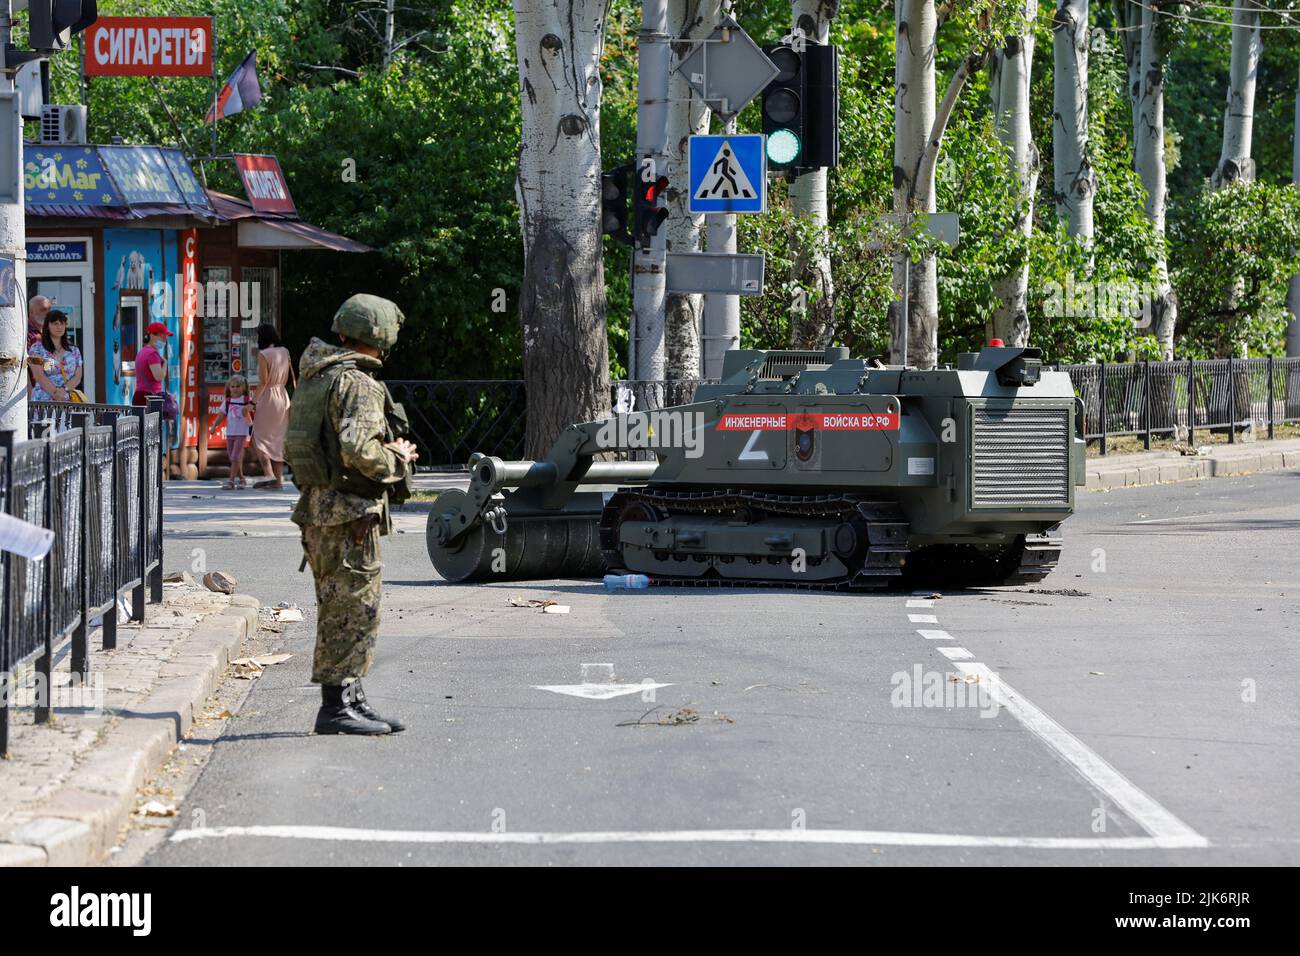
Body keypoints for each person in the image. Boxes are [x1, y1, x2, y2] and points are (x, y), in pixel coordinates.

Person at [284, 294, 418, 736]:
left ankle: (350, 699)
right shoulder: (357, 383)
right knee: (355, 609)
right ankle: (337, 708)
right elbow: (358, 448)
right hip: (350, 515)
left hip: (319, 510)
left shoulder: (317, 375)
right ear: (380, 335)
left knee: (340, 608)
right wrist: (398, 457)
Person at [250, 324, 293, 490]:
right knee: (278, 439)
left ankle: (268, 474)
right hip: (283, 396)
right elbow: (288, 377)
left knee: (257, 438)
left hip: (268, 398)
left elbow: (263, 382)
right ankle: (279, 481)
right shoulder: (285, 351)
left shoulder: (263, 355)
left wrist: (252, 402)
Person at [28, 310, 84, 403]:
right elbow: (38, 375)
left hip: (68, 400)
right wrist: (55, 393)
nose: (59, 327)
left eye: (62, 323)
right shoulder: (36, 348)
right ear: (47, 326)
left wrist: (64, 390)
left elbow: (78, 376)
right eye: (55, 323)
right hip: (43, 400)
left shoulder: (74, 350)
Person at [211, 374, 254, 490]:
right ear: (229, 388)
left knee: (235, 456)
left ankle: (231, 481)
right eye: (233, 386)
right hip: (230, 432)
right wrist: (214, 426)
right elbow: (221, 416)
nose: (235, 389)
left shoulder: (246, 401)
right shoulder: (228, 402)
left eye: (238, 386)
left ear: (243, 388)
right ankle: (242, 479)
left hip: (241, 433)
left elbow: (255, 411)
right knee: (233, 458)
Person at [133, 321, 171, 406]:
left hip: (140, 396)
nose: (165, 340)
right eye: (162, 336)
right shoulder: (152, 354)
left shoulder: (142, 352)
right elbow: (159, 377)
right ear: (152, 336)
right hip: (149, 398)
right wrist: (165, 363)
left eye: (166, 337)